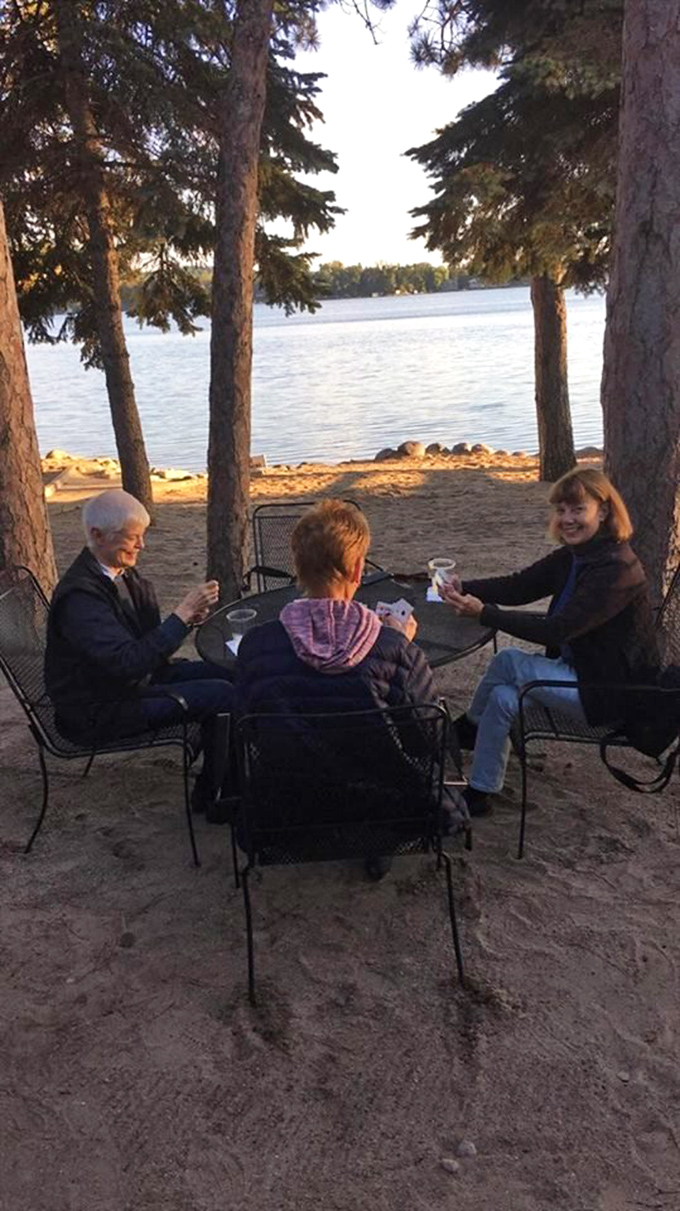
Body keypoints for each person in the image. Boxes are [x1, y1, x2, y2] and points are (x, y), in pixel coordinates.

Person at [235, 498, 469, 873]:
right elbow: (428, 738)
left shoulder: (257, 647)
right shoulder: (394, 651)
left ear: (297, 567)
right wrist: (402, 645)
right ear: (358, 569)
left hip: (288, 812)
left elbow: (250, 731)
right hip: (390, 810)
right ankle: (375, 845)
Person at [441, 467, 659, 816]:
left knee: (508, 661)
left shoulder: (617, 569)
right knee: (502, 696)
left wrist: (484, 613)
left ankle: (466, 730)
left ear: (603, 512)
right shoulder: (576, 556)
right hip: (575, 671)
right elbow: (519, 585)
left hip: (607, 692)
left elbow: (556, 630)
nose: (568, 519)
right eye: (562, 510)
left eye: (577, 510)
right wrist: (465, 587)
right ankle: (480, 791)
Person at [45, 489, 234, 820]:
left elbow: (143, 646)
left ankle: (225, 778)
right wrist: (179, 616)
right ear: (96, 535)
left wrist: (186, 621)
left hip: (130, 683)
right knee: (223, 695)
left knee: (227, 671)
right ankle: (218, 796)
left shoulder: (117, 573)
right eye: (133, 538)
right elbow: (128, 662)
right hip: (99, 710)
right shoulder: (81, 599)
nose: (142, 546)